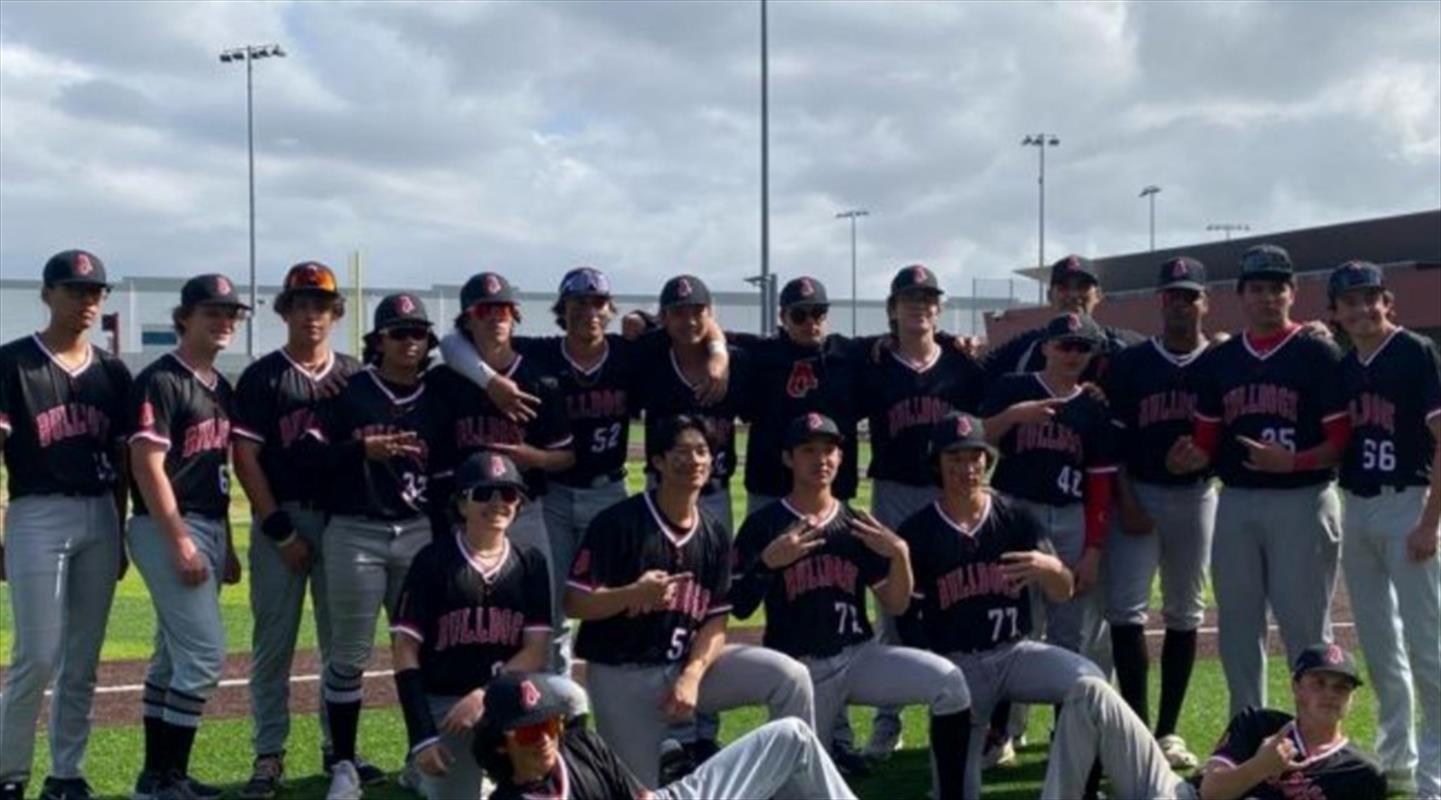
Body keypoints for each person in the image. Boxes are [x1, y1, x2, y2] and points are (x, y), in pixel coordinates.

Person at [438, 266, 726, 676]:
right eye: (579, 303)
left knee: (622, 595)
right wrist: (490, 382)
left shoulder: (628, 352)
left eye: (598, 302)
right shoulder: (542, 353)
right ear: (563, 309)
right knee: (554, 604)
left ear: (610, 309)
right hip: (554, 493)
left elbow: (698, 321)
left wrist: (719, 354)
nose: (589, 311)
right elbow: (452, 344)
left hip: (609, 491)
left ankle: (624, 684)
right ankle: (557, 702)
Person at [563, 414, 814, 787]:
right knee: (636, 791)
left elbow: (716, 620)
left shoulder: (713, 534)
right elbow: (575, 603)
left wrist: (692, 676)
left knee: (790, 678)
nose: (694, 460)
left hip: (686, 666)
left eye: (702, 451)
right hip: (623, 674)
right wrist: (631, 595)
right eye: (681, 451)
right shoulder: (618, 523)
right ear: (659, 461)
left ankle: (795, 791)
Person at [730, 412, 972, 796]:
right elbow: (740, 607)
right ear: (788, 458)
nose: (821, 459)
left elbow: (896, 603)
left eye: (829, 450)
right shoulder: (764, 524)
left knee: (949, 682)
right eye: (808, 450)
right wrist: (766, 565)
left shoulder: (855, 523)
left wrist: (900, 555)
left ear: (841, 457)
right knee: (796, 789)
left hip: (859, 657)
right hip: (801, 671)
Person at [1169, 244, 1347, 717]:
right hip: (1238, 500)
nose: (1268, 297)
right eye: (1258, 288)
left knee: (1305, 626)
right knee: (1237, 624)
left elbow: (1341, 442)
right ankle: (1247, 729)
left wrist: (1293, 462)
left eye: (1277, 288)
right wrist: (1188, 458)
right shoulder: (1222, 359)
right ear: (1241, 295)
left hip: (1303, 498)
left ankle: (1314, 731)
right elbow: (1206, 441)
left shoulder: (1317, 351)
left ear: (1292, 293)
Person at [898, 412, 1103, 799]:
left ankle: (1079, 792)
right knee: (956, 792)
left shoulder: (1015, 518)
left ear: (988, 461)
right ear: (937, 464)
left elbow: (1063, 592)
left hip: (1015, 653)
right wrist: (937, 674)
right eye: (955, 458)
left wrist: (1051, 567)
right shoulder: (918, 531)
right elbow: (907, 619)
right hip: (958, 667)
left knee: (1089, 682)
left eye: (975, 457)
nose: (967, 468)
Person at [299, 293, 456, 800]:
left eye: (418, 333)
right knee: (349, 653)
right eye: (399, 332)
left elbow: (446, 475)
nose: (410, 342)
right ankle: (343, 763)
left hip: (417, 531)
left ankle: (419, 757)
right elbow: (309, 458)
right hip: (355, 530)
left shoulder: (437, 396)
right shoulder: (349, 390)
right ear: (379, 340)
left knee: (422, 649)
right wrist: (360, 450)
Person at [231, 262, 372, 800]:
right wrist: (280, 529)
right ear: (285, 311)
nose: (312, 314)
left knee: (342, 645)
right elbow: (246, 457)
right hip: (284, 517)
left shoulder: (355, 375)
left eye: (321, 305)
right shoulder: (264, 376)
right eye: (301, 304)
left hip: (343, 522)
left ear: (335, 314)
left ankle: (340, 750)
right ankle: (269, 752)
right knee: (274, 645)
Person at [0, 250, 132, 800]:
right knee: (36, 655)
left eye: (95, 292)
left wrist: (119, 530)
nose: (87, 301)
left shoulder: (113, 371)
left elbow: (124, 459)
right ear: (47, 293)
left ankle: (66, 773)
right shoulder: (12, 362)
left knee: (83, 659)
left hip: (100, 510)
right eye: (75, 290)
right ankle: (9, 774)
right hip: (37, 511)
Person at [126, 274, 248, 800]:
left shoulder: (221, 386)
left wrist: (227, 544)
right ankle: (168, 776)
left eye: (230, 313)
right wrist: (179, 540)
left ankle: (156, 778)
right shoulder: (161, 379)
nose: (224, 322)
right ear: (184, 319)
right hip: (168, 524)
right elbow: (146, 464)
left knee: (173, 658)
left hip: (208, 522)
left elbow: (217, 469)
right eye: (211, 312)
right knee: (203, 657)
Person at [859, 264, 985, 759]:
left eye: (928, 298)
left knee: (954, 596)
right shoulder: (874, 363)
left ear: (940, 308)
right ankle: (887, 720)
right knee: (893, 603)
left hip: (946, 494)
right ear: (893, 309)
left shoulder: (962, 365)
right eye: (910, 299)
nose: (920, 306)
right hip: (893, 490)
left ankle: (963, 707)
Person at [1328, 260, 1441, 799]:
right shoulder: (1346, 364)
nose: (1362, 308)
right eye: (1350, 301)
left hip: (1407, 502)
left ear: (1387, 301)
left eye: (1369, 297)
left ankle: (1434, 773)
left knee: (1427, 645)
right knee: (1379, 644)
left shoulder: (1415, 351)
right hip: (1358, 504)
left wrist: (1430, 522)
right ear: (1335, 312)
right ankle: (1397, 760)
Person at [1101, 256, 1218, 770]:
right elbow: (1112, 441)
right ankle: (1136, 727)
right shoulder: (1131, 363)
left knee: (1185, 610)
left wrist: (1206, 457)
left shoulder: (1220, 360)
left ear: (1204, 302)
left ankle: (1168, 730)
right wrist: (1126, 499)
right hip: (1140, 492)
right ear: (1160, 301)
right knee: (1126, 610)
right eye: (1173, 295)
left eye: (1190, 295)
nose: (1181, 304)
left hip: (1196, 495)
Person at [430, 271, 574, 670]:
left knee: (543, 612)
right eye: (485, 310)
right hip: (465, 516)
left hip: (525, 511)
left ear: (515, 316)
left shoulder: (540, 379)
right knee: (464, 613)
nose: (496, 317)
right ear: (468, 319)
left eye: (504, 309)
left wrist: (535, 458)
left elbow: (566, 456)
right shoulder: (444, 381)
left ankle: (551, 698)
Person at [390, 451, 553, 800]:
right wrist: (422, 734)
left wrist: (485, 694)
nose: (497, 503)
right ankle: (421, 769)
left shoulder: (531, 562)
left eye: (508, 493)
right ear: (462, 504)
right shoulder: (432, 561)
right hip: (447, 706)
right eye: (483, 493)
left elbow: (536, 650)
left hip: (508, 701)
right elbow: (405, 649)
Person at [1041, 644, 1387, 800]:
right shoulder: (1259, 722)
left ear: (1352, 698)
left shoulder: (1362, 771)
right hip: (1180, 796)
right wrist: (1261, 766)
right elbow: (1211, 792)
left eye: (1341, 688)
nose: (1330, 695)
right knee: (1090, 692)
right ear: (1296, 687)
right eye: (1319, 683)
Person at [474, 672, 856, 800]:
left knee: (791, 736)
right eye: (530, 731)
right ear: (501, 744)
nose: (544, 738)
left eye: (550, 725)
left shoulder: (582, 745)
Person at [981, 313, 1117, 669]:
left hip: (1071, 515)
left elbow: (1100, 482)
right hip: (1017, 511)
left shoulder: (1093, 404)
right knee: (1018, 621)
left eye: (1081, 347)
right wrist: (1013, 415)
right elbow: (976, 438)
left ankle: (1066, 707)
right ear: (1045, 348)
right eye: (1064, 345)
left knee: (1070, 628)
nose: (1072, 354)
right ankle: (1012, 706)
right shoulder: (1013, 387)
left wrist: (1093, 551)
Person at [980, 254, 1142, 383]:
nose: (1073, 294)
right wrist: (964, 351)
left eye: (1082, 287)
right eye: (1064, 287)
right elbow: (976, 377)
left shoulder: (1123, 344)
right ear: (1050, 296)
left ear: (1098, 295)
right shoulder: (1026, 347)